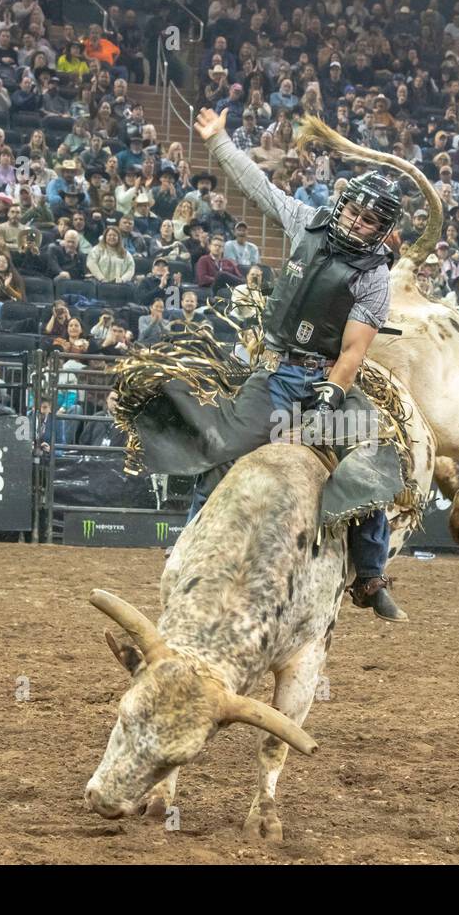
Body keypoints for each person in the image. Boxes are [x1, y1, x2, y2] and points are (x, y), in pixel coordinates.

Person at [186, 105, 406, 621]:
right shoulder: (305, 222)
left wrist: (331, 392)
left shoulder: (374, 275)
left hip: (325, 376)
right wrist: (218, 140)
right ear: (343, 203)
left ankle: (370, 577)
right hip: (276, 372)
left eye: (370, 219)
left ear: (382, 229)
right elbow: (258, 187)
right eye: (354, 210)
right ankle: (190, 543)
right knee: (221, 449)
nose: (357, 221)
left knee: (369, 461)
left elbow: (354, 349)